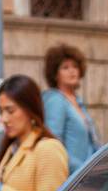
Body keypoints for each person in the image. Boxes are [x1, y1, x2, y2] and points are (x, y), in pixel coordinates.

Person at [41, 43, 99, 174]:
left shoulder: (77, 101)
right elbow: (54, 143)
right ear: (55, 75)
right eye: (65, 67)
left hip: (87, 175)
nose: (72, 71)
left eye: (75, 66)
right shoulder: (55, 100)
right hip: (71, 178)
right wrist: (81, 170)